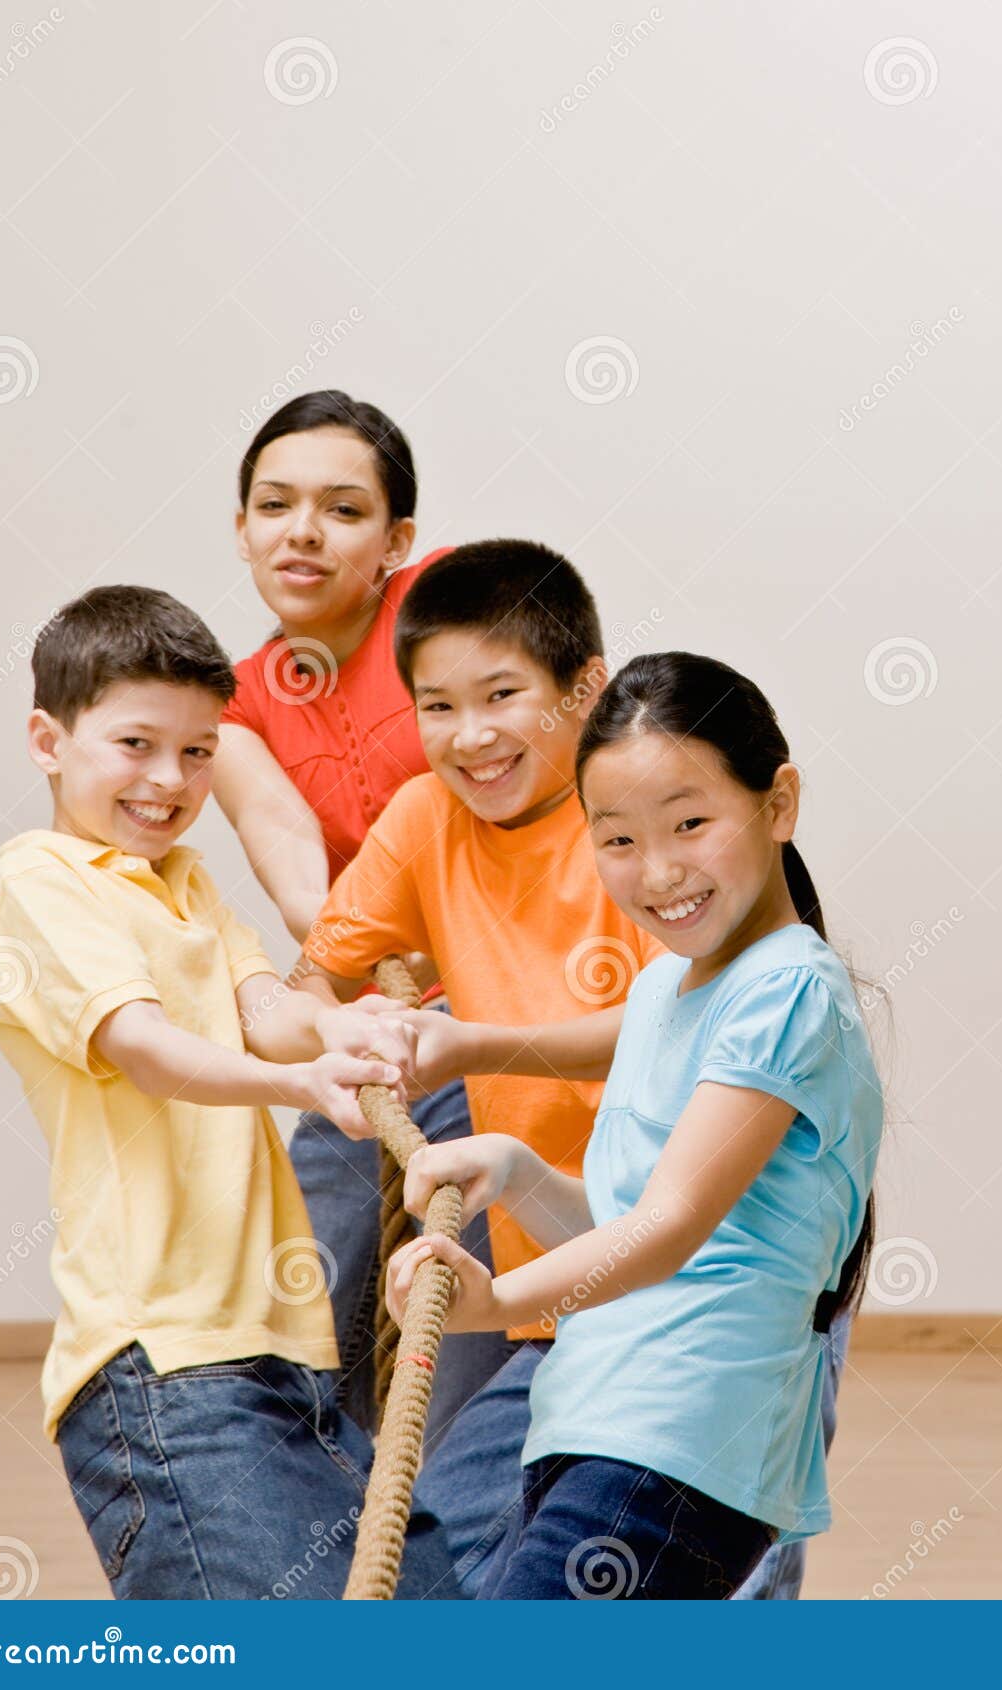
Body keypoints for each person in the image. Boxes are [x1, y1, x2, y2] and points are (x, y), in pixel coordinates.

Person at [0, 585, 459, 1599]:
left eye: (199, 752)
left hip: (285, 1355)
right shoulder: (40, 878)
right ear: (47, 740)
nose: (170, 779)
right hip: (162, 1362)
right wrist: (298, 1078)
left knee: (420, 1607)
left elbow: (263, 1007)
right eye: (137, 744)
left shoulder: (189, 883)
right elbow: (146, 1045)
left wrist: (337, 1023)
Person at [383, 651, 881, 1599]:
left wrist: (493, 1301)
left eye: (691, 823)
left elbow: (669, 1229)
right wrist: (517, 1165)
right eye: (616, 839)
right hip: (601, 1425)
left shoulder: (787, 991)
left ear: (779, 804)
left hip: (677, 1446)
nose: (658, 873)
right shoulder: (668, 986)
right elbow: (632, 1222)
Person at [293, 539, 662, 1590]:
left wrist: (467, 1043)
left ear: (584, 688)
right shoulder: (425, 819)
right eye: (437, 705)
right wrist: (339, 1035)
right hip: (540, 1264)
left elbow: (676, 1024)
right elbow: (309, 980)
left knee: (702, 1550)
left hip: (693, 1259)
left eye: (502, 694)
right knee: (446, 1536)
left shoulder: (645, 816)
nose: (469, 736)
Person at [212, 389, 482, 1438]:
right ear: (242, 531)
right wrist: (359, 999)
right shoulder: (232, 704)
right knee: (305, 1305)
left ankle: (459, 1546)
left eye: (343, 508)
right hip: (367, 1027)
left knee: (463, 1321)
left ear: (397, 538)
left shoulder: (449, 618)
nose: (303, 532)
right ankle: (322, 1563)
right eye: (274, 505)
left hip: (503, 1014)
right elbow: (298, 881)